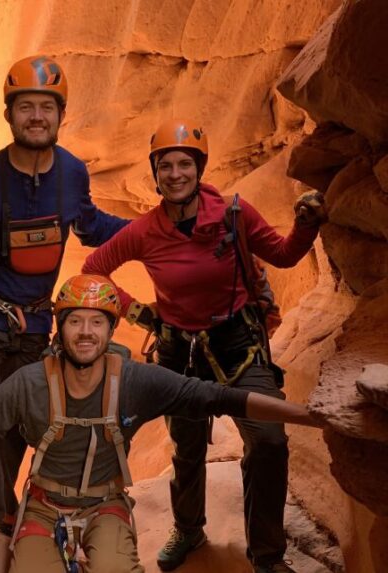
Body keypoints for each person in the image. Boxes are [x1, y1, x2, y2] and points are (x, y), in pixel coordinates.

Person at [0, 274, 320, 572]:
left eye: (96, 322)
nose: (85, 332)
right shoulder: (30, 382)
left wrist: (309, 416)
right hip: (43, 508)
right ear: (61, 327)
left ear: (111, 329)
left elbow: (219, 397)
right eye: (75, 321)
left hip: (105, 506)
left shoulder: (136, 381)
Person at [81, 120, 327, 573]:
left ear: (199, 169)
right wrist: (138, 313)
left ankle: (267, 557)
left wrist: (306, 225)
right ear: (156, 175)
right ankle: (189, 528)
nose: (175, 174)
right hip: (180, 354)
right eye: (166, 166)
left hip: (238, 347)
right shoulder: (145, 230)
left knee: (269, 442)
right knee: (187, 446)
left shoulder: (233, 213)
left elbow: (284, 255)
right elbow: (93, 268)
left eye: (184, 164)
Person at [0, 55, 130, 556]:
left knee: (24, 422)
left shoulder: (72, 172)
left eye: (46, 108)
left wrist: (149, 230)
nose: (36, 116)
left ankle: (8, 506)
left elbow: (90, 226)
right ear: (8, 115)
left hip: (33, 326)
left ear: (60, 115)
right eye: (25, 106)